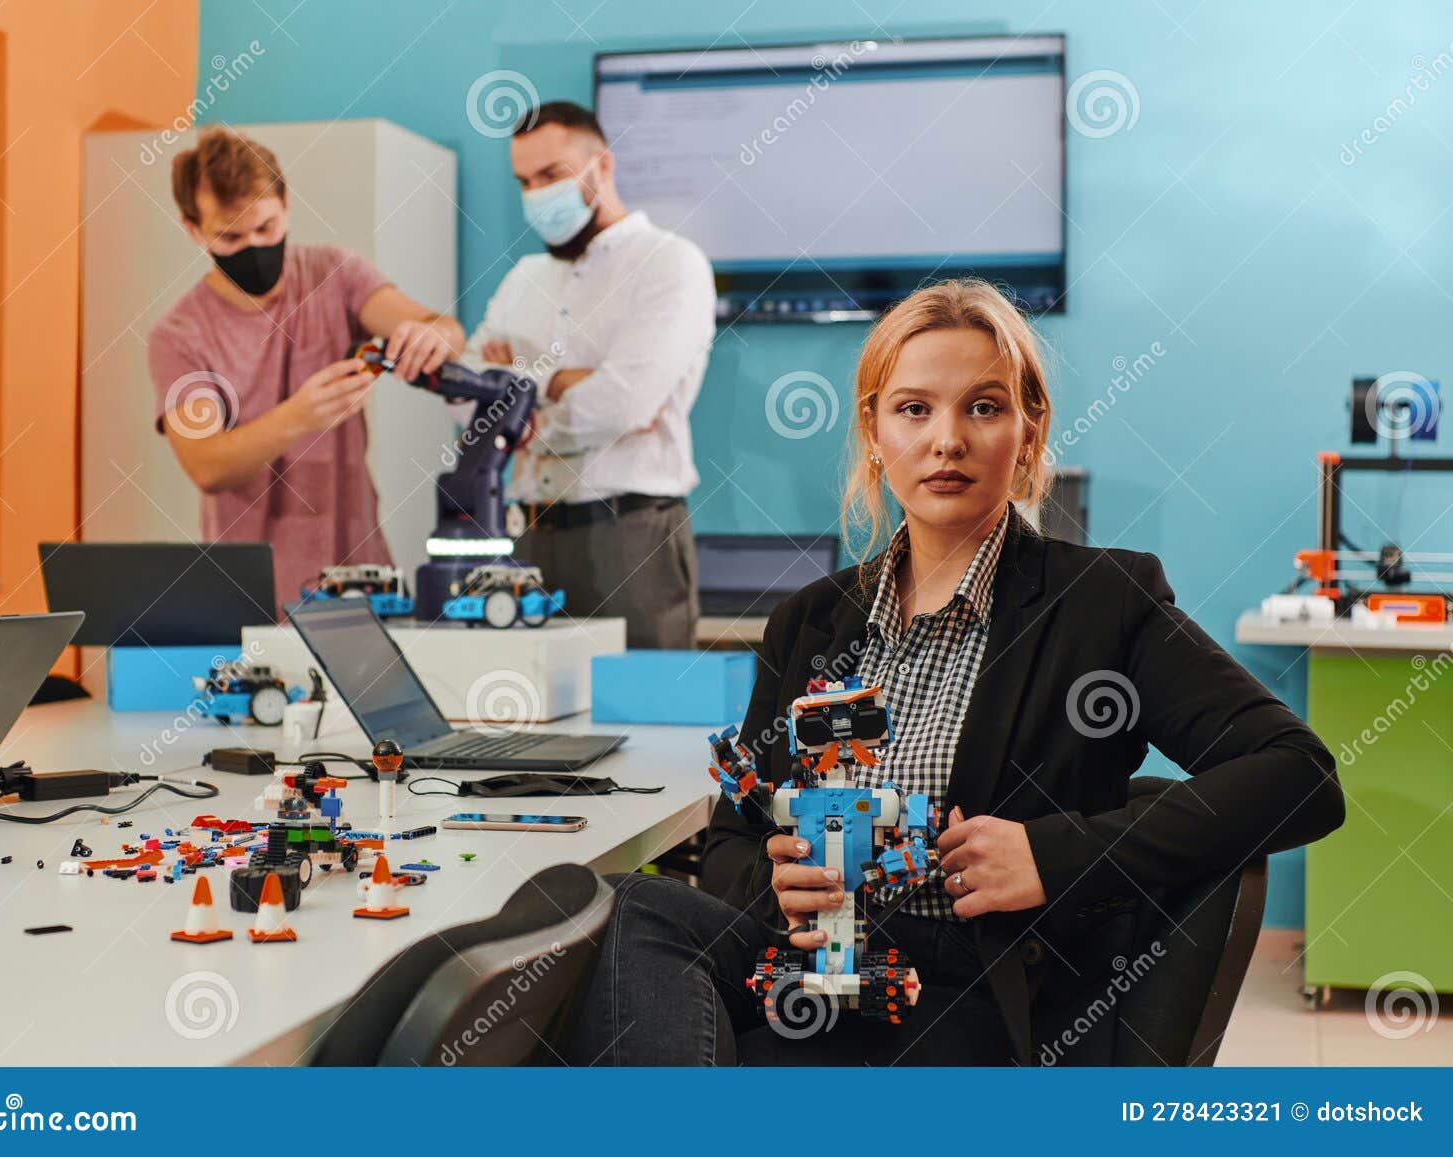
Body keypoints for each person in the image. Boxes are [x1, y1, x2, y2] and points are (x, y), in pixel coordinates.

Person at [563, 279, 1345, 1066]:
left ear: (1028, 432)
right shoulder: (809, 618)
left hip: (971, 992)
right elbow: (738, 833)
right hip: (819, 963)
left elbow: (1300, 774)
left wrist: (1056, 854)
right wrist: (777, 881)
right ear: (872, 431)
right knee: (627, 910)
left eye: (983, 406)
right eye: (912, 409)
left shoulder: (1103, 602)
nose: (947, 440)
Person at [147, 127, 465, 604]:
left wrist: (431, 336)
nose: (254, 246)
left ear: (287, 203)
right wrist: (301, 415)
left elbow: (444, 330)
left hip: (360, 576)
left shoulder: (334, 275)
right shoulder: (180, 335)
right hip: (251, 590)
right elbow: (207, 464)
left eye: (266, 228)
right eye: (229, 236)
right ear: (192, 229)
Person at [468, 101, 715, 649]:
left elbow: (621, 404)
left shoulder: (671, 263)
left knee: (645, 714)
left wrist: (524, 395)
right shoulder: (524, 276)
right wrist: (565, 382)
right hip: (526, 538)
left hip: (629, 537)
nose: (535, 194)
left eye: (551, 175)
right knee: (528, 718)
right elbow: (471, 382)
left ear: (601, 165)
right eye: (524, 181)